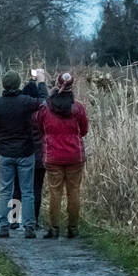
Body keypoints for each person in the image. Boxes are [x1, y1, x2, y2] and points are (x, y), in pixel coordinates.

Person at [0, 69, 48, 238]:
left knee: (5, 190)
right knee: (28, 191)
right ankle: (29, 227)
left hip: (5, 152)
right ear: (18, 84)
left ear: (4, 85)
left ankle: (4, 226)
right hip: (25, 152)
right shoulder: (26, 102)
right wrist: (41, 82)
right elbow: (44, 102)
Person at [35, 71, 89, 238]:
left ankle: (54, 228)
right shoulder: (78, 107)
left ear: (57, 85)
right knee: (74, 192)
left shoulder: (45, 107)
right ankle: (72, 229)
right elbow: (84, 130)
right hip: (74, 155)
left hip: (53, 157)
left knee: (55, 192)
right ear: (72, 87)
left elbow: (39, 127)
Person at [11, 75, 47, 228]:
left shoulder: (20, 111)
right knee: (36, 189)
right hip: (39, 155)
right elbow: (46, 100)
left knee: (17, 188)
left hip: (21, 152)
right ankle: (34, 221)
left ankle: (13, 219)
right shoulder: (44, 113)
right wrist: (42, 82)